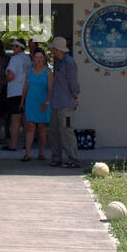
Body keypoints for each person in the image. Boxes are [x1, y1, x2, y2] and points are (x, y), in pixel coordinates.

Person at [47, 36, 81, 168]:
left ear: (57, 49)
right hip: (56, 103)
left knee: (67, 131)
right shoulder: (60, 62)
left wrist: (75, 96)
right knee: (54, 131)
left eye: (54, 49)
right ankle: (56, 158)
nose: (53, 51)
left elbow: (74, 82)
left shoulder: (69, 62)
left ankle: (74, 159)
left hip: (66, 104)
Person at [21, 47, 54, 160]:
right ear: (33, 58)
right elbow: (26, 86)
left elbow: (50, 89)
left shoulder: (48, 72)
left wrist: (47, 102)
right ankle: (27, 154)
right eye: (36, 57)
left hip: (43, 102)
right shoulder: (29, 70)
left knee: (41, 127)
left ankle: (41, 152)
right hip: (30, 102)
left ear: (44, 58)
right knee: (30, 127)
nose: (38, 59)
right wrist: (22, 101)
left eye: (41, 57)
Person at [2, 38, 31, 151]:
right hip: (27, 91)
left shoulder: (14, 59)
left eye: (15, 46)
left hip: (15, 92)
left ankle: (13, 145)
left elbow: (10, 75)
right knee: (25, 119)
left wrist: (3, 81)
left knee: (15, 119)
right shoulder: (28, 59)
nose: (13, 48)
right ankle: (26, 143)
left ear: (19, 48)